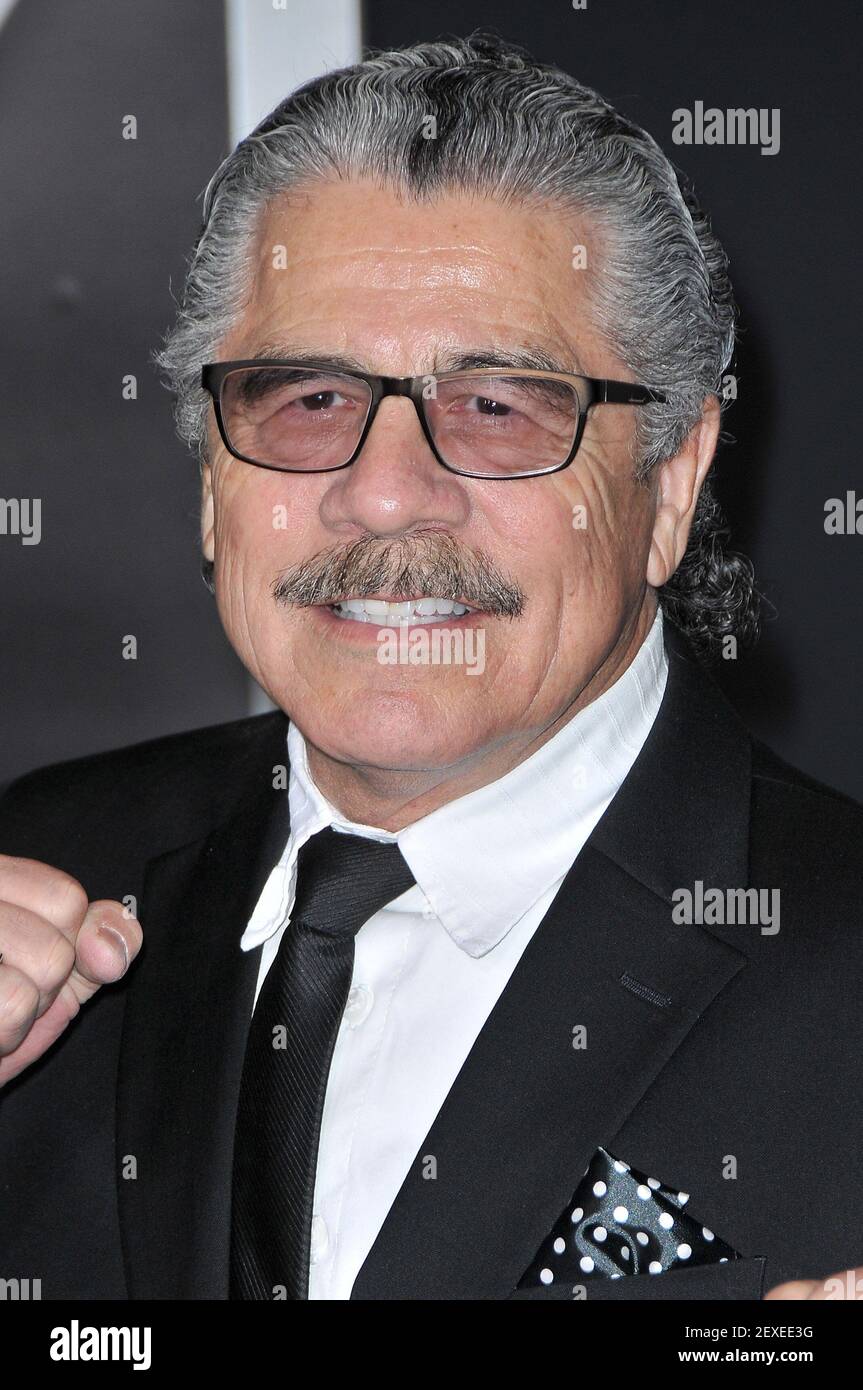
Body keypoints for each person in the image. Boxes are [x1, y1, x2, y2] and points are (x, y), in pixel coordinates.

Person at [1, 33, 860, 1302]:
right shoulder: (47, 867)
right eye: (304, 400)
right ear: (207, 481)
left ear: (670, 481)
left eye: (497, 406)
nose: (383, 495)